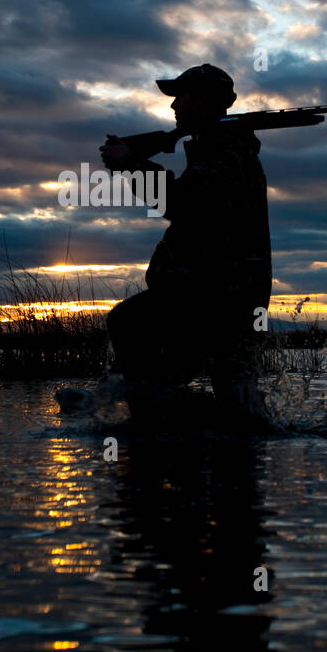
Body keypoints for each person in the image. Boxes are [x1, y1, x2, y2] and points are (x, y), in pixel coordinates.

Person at [100, 63, 274, 430]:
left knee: (128, 323)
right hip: (218, 292)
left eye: (181, 97)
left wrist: (130, 162)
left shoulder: (226, 151)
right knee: (236, 411)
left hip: (216, 294)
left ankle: (158, 428)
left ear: (204, 101)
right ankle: (183, 430)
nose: (173, 105)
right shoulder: (220, 148)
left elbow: (180, 203)